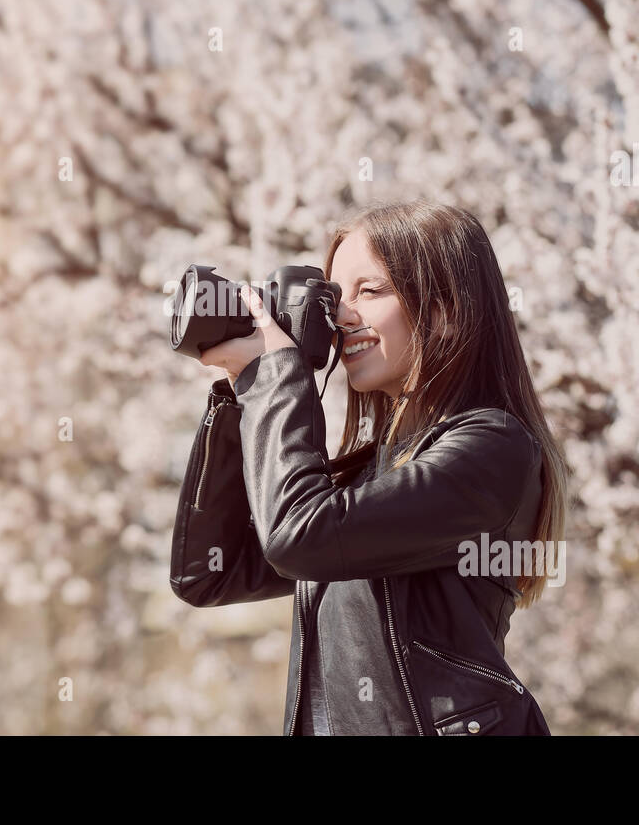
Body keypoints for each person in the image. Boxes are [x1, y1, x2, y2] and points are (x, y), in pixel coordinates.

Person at [170, 200, 569, 735]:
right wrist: (241, 392)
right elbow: (207, 574)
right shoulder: (363, 481)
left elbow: (300, 537)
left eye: (370, 291)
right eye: (335, 296)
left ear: (447, 309)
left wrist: (275, 376)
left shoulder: (492, 450)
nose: (342, 315)